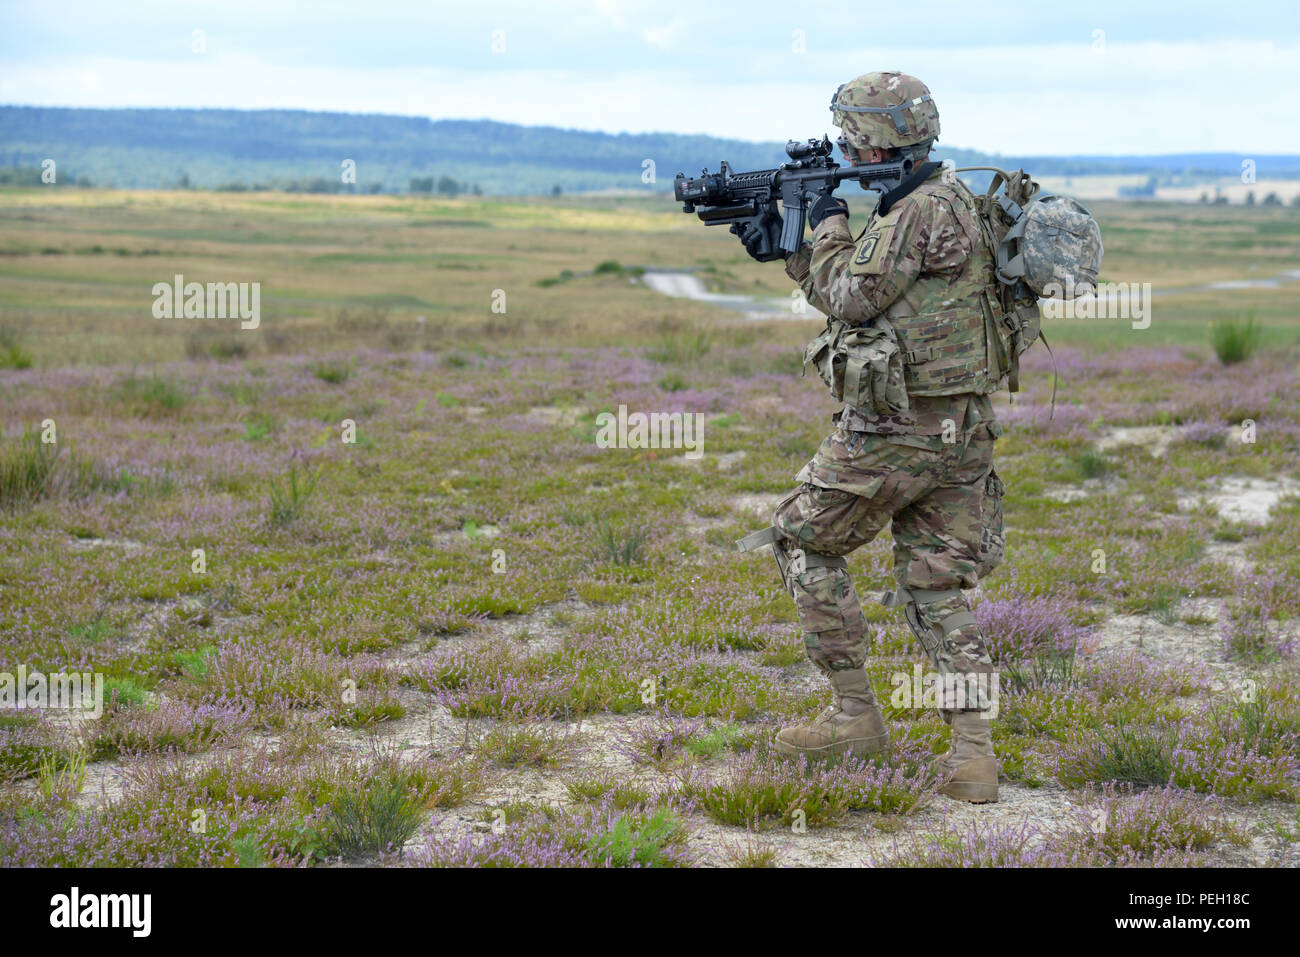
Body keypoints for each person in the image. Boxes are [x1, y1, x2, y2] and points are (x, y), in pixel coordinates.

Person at [736, 71, 1008, 803]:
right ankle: (974, 757)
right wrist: (790, 243)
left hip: (895, 428)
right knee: (936, 584)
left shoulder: (913, 212)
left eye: (852, 134)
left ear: (876, 137)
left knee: (801, 539)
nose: (847, 145)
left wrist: (821, 220)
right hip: (963, 428)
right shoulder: (958, 196)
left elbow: (852, 297)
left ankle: (855, 715)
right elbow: (870, 289)